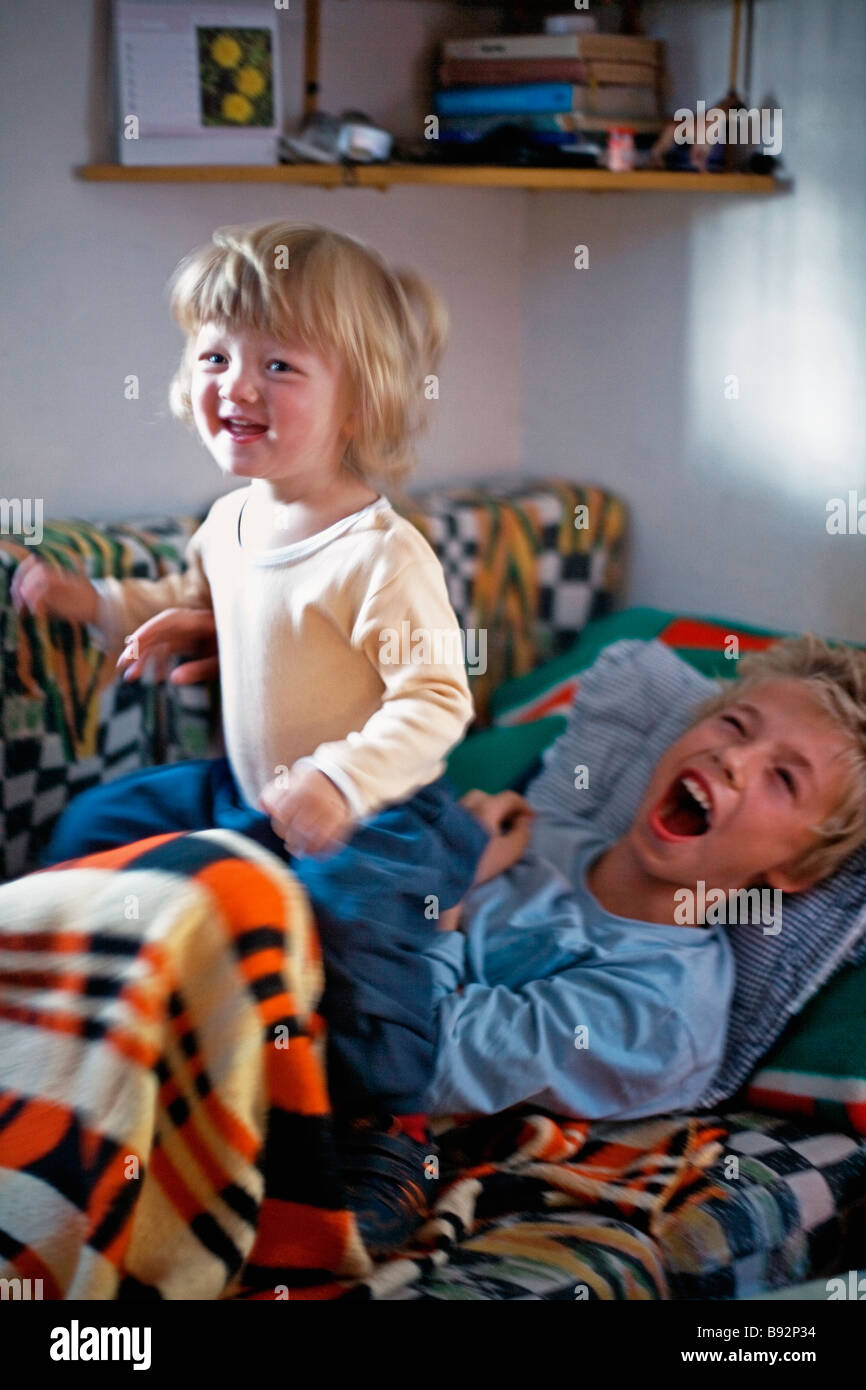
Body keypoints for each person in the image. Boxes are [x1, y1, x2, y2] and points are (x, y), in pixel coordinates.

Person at [12, 220, 482, 1256]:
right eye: (216, 355)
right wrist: (87, 599)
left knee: (359, 942)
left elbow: (435, 698)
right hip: (244, 790)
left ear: (356, 397)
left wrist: (340, 781)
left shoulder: (379, 553)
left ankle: (389, 1131)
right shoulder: (230, 519)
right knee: (101, 817)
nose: (237, 383)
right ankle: (74, 1023)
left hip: (368, 814)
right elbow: (185, 599)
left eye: (279, 363)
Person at [422, 637, 866, 1121]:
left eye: (783, 779)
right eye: (735, 725)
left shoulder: (661, 1016)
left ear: (797, 868)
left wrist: (448, 884)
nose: (733, 759)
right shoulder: (541, 831)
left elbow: (406, 1059)